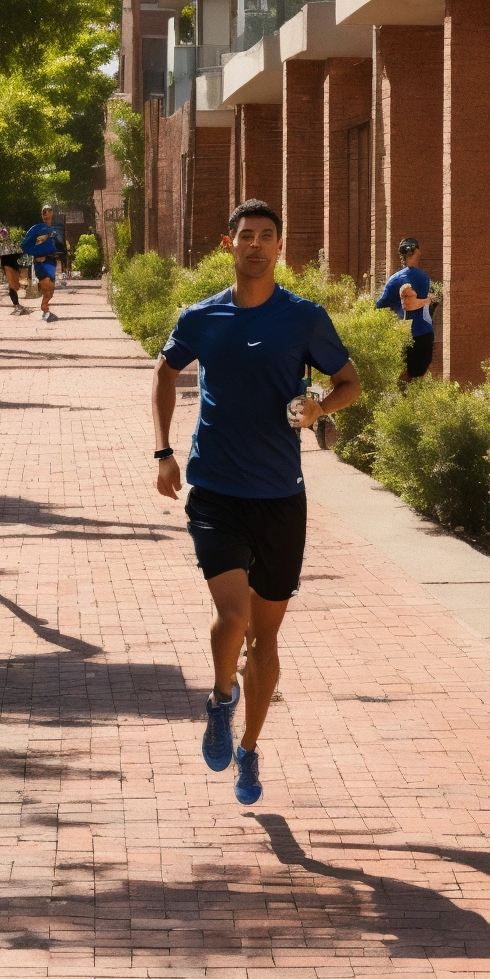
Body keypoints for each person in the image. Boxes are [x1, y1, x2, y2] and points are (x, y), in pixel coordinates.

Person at [152, 199, 361, 807]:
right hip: (215, 488)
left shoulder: (303, 318)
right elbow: (164, 373)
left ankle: (248, 747)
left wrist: (320, 406)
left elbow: (348, 381)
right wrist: (162, 451)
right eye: (246, 235)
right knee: (234, 613)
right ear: (229, 244)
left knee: (265, 640)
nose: (256, 245)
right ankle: (221, 698)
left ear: (279, 248)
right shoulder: (203, 316)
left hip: (280, 498)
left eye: (267, 236)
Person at [375, 234, 435, 382]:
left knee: (404, 376)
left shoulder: (395, 280)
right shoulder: (425, 278)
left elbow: (380, 306)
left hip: (404, 334)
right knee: (419, 375)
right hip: (425, 333)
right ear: (417, 252)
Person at [20, 203, 66, 322]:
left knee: (51, 290)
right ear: (41, 214)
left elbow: (60, 245)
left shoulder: (56, 229)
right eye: (44, 212)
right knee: (46, 287)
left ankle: (45, 309)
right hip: (41, 262)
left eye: (49, 211)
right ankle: (45, 309)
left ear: (52, 213)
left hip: (51, 261)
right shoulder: (36, 228)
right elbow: (25, 246)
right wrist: (37, 254)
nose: (46, 214)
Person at [0, 221, 30, 315]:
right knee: (12, 284)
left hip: (15, 261)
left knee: (16, 285)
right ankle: (16, 305)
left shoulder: (13, 237)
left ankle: (17, 304)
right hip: (6, 261)